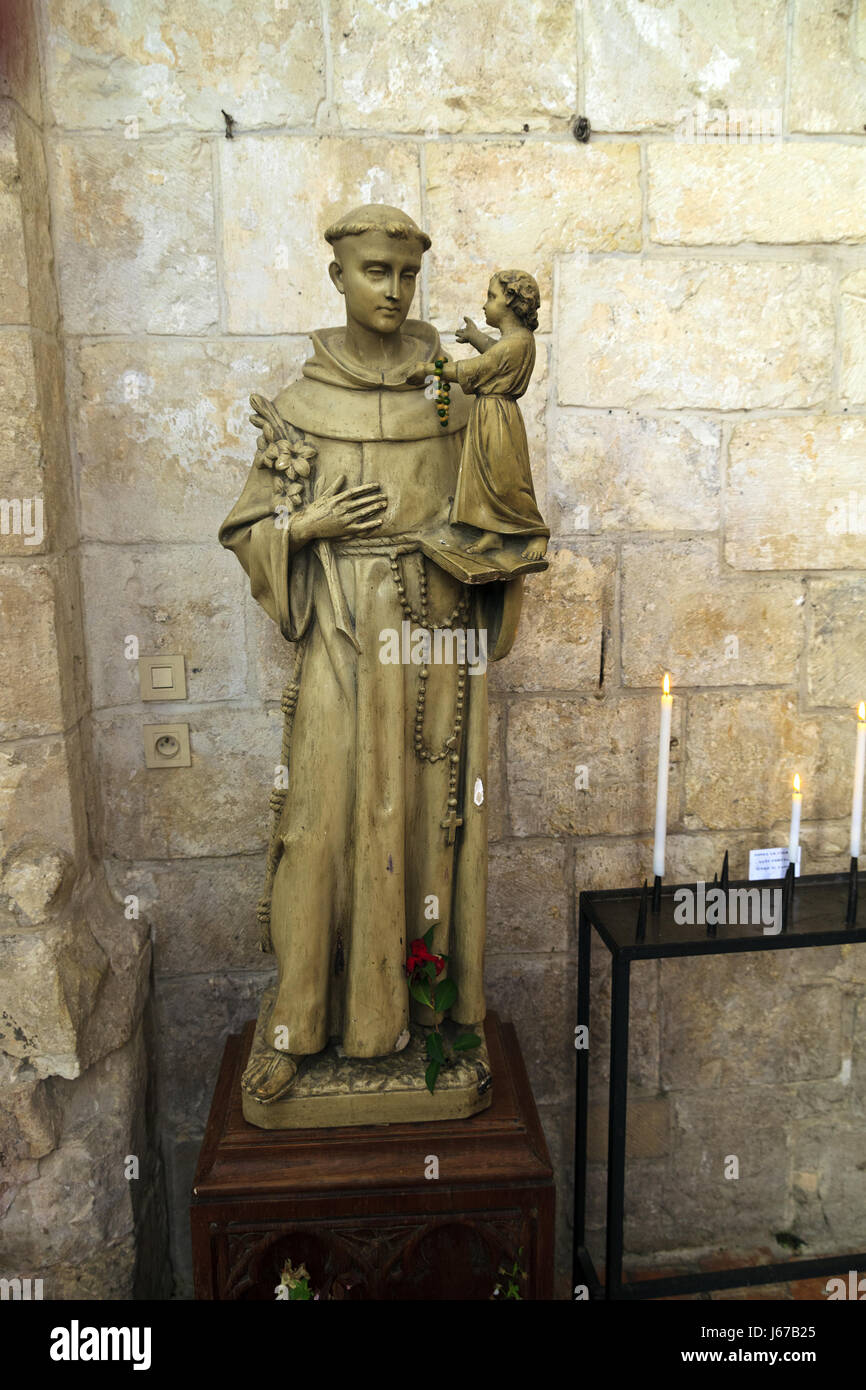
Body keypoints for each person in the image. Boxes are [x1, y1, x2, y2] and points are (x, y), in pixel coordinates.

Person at [219, 206, 525, 1106]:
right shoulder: (305, 403)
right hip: (344, 636)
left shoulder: (448, 390)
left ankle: (425, 1022)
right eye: (374, 272)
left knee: (432, 828)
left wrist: (492, 546)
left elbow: (496, 504)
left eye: (404, 274)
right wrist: (303, 526)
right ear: (339, 277)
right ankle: (298, 1024)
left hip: (433, 636)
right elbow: (247, 529)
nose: (392, 291)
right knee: (318, 826)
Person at [414, 270, 549, 561]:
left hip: (498, 417)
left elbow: (477, 368)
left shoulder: (518, 343)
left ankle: (535, 530)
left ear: (510, 300)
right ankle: (493, 529)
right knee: (482, 477)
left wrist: (430, 370)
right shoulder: (514, 340)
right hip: (488, 412)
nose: (485, 304)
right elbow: (494, 354)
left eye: (491, 297)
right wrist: (476, 337)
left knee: (505, 479)